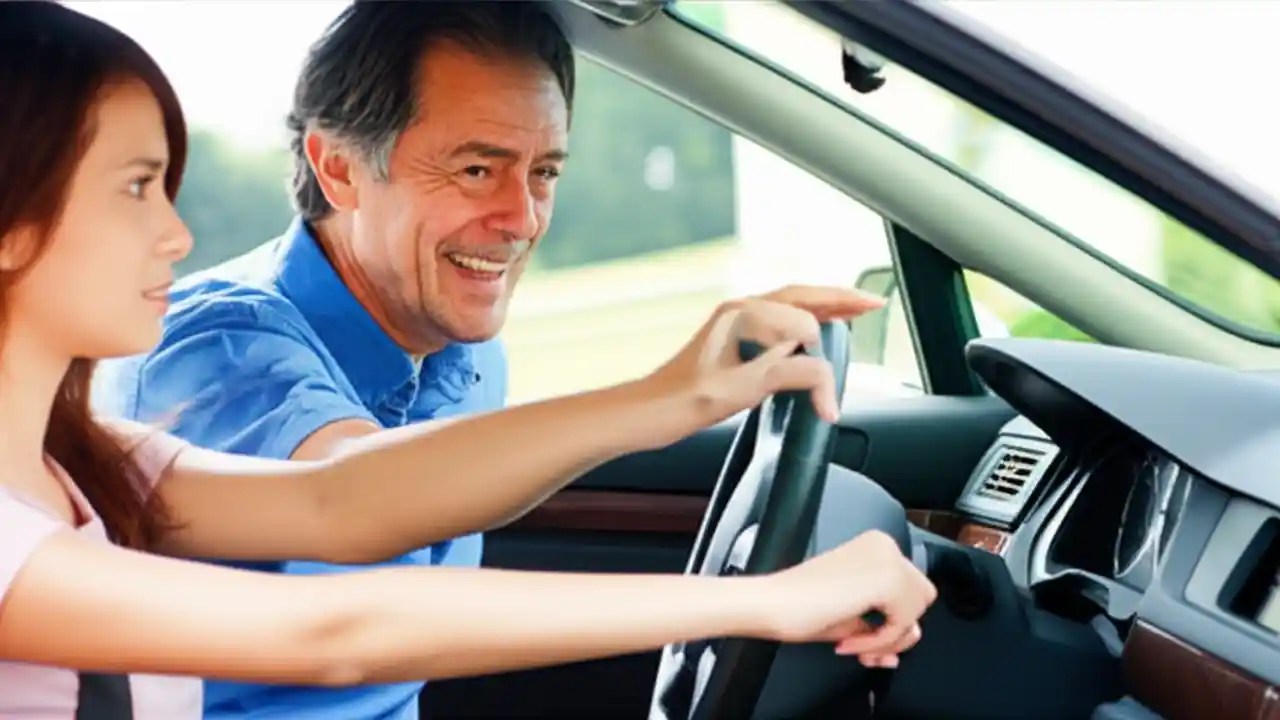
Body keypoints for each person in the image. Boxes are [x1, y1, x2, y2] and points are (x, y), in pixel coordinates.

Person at [0, 2, 936, 719]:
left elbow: (343, 507)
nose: (177, 233)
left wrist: (671, 397)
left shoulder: (83, 459)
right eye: (135, 189)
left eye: (542, 175)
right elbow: (338, 630)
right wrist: (762, 603)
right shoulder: (205, 356)